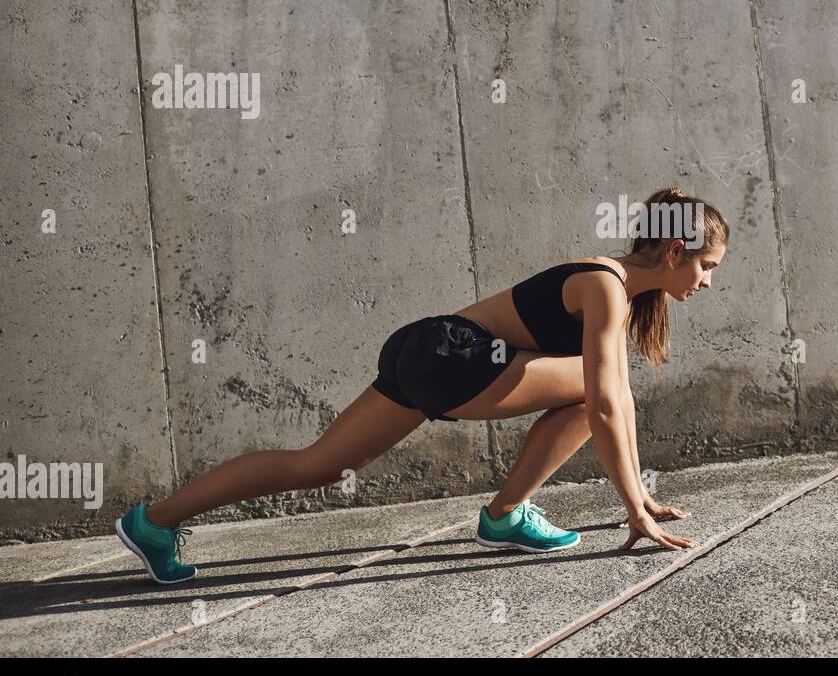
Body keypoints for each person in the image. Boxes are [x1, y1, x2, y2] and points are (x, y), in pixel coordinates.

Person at [115, 186, 729, 583]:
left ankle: (154, 521)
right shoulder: (606, 286)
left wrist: (638, 493)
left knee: (318, 464)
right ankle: (505, 514)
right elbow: (605, 401)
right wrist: (635, 507)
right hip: (456, 358)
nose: (706, 282)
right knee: (604, 389)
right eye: (707, 266)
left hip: (421, 348)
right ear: (676, 250)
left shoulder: (610, 285)